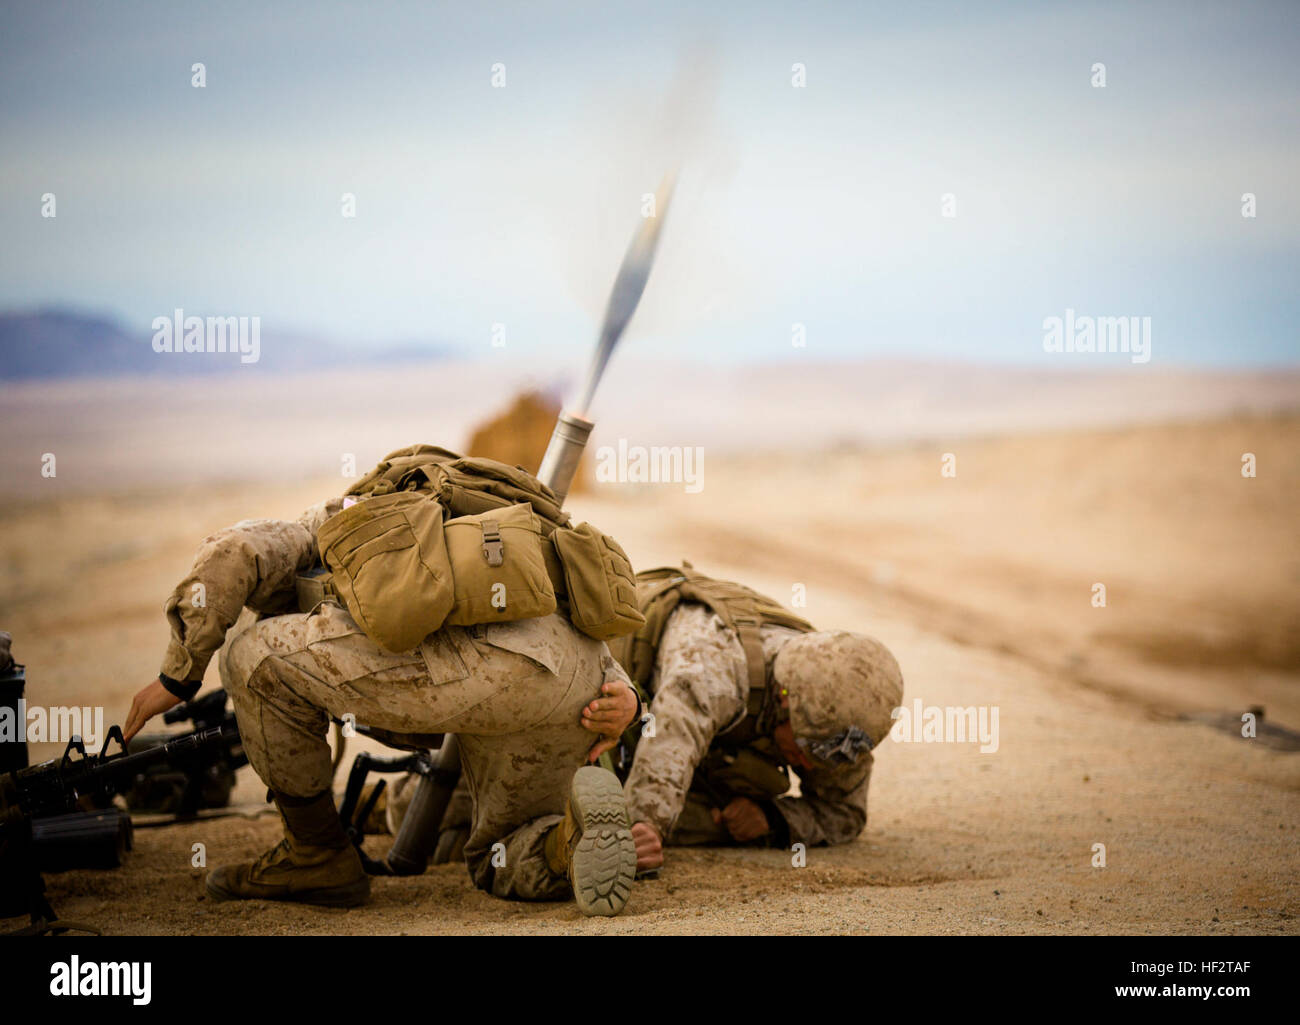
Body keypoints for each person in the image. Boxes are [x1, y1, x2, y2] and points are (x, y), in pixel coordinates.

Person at [122, 489, 641, 917]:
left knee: (249, 657)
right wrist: (628, 699)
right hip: (581, 678)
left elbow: (232, 549)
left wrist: (178, 676)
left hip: (480, 674)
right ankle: (565, 842)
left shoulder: (337, 517)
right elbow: (578, 591)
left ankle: (316, 855)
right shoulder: (498, 507)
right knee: (499, 848)